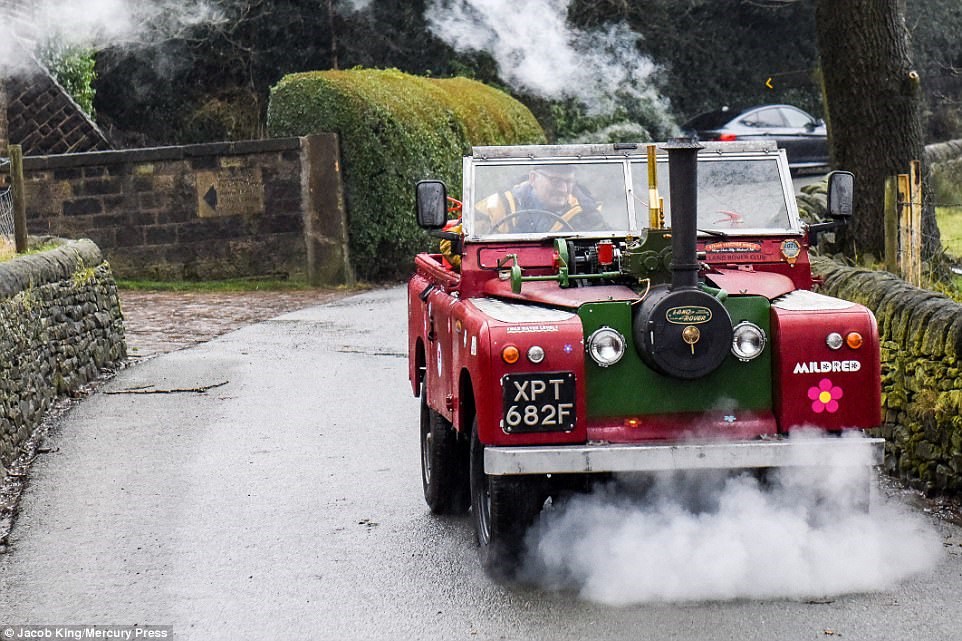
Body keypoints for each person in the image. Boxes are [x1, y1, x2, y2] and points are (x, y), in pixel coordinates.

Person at [474, 164, 606, 234]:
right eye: (556, 181)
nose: (564, 189)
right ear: (533, 178)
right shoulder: (496, 206)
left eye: (569, 182)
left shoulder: (587, 214)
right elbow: (460, 247)